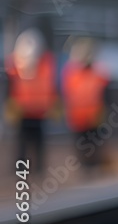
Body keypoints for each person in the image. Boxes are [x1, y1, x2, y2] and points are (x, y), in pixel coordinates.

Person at [4, 28, 58, 172]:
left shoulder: (46, 64)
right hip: (22, 112)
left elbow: (51, 85)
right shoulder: (14, 64)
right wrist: (11, 106)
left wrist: (53, 104)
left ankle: (38, 170)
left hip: (39, 112)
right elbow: (11, 86)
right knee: (21, 143)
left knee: (38, 142)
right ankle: (21, 171)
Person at [61, 37, 110, 172]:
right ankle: (85, 166)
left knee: (95, 142)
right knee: (81, 144)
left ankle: (94, 165)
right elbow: (67, 94)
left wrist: (104, 110)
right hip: (77, 116)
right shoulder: (71, 73)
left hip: (94, 115)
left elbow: (105, 92)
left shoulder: (98, 71)